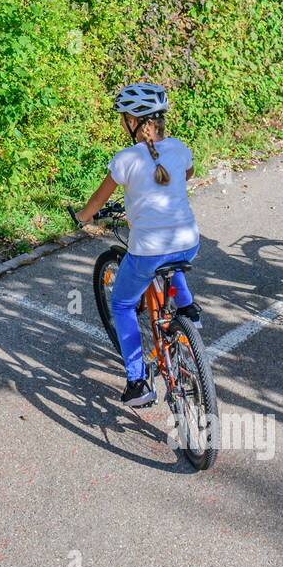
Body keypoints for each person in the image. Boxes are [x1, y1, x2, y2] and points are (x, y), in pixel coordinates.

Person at [75, 83, 201, 409]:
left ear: (133, 120)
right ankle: (187, 309)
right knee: (172, 264)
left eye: (122, 117)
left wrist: (82, 217)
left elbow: (97, 202)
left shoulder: (125, 159)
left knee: (122, 305)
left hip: (149, 249)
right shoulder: (180, 148)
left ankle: (137, 381)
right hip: (189, 241)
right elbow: (185, 175)